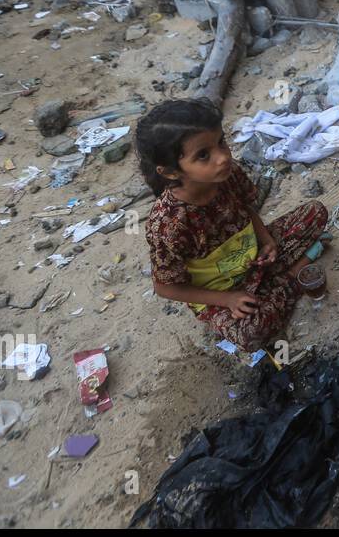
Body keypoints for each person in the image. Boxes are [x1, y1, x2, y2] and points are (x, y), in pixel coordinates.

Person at [136, 98, 328, 352]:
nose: (223, 157)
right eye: (203, 155)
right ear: (171, 172)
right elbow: (165, 287)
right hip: (219, 290)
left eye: (221, 142)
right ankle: (293, 274)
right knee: (251, 334)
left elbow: (247, 206)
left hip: (255, 258)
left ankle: (278, 282)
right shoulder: (169, 224)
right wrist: (226, 299)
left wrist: (266, 240)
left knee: (315, 212)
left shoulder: (228, 174)